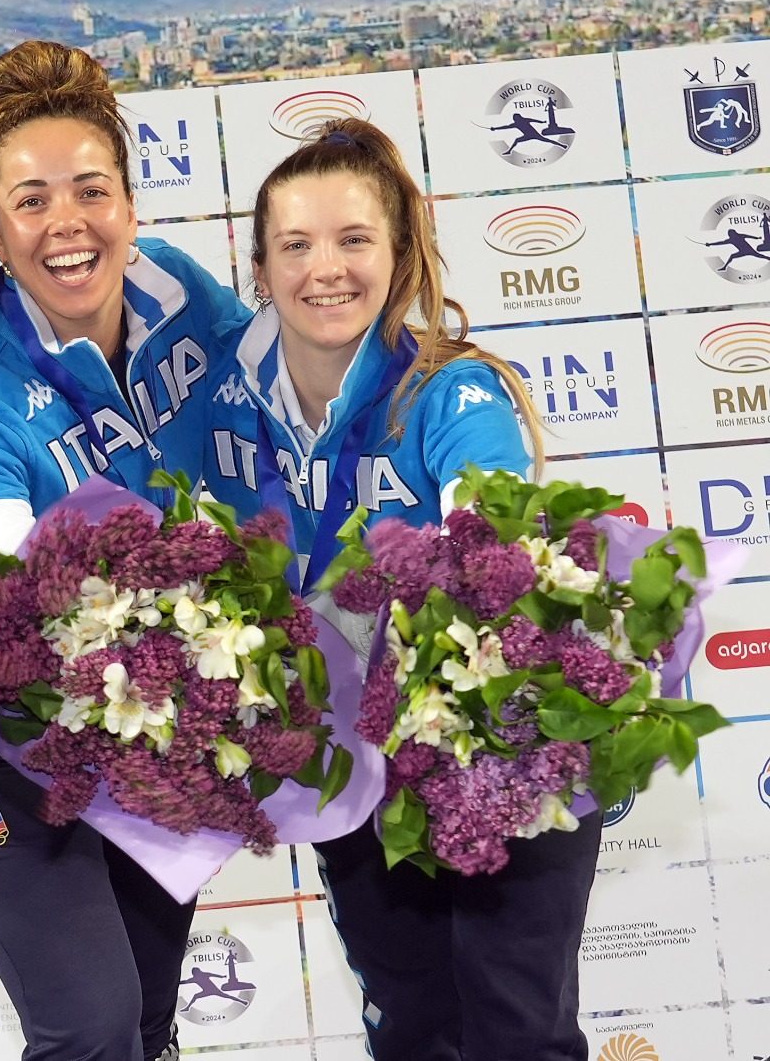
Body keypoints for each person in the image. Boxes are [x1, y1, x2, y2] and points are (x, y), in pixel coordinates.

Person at [199, 117, 599, 1061]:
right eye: (295, 245)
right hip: (356, 773)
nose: (324, 269)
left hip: (503, 748)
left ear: (400, 253)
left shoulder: (450, 392)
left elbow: (488, 519)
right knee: (413, 1029)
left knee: (517, 1032)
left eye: (353, 240)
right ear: (260, 268)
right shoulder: (219, 400)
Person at [0, 40, 252, 1061]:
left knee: (143, 1020)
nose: (65, 224)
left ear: (131, 204)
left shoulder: (182, 292)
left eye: (90, 189)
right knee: (91, 1028)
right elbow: (6, 593)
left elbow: (266, 427)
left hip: (150, 715)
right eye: (29, 200)